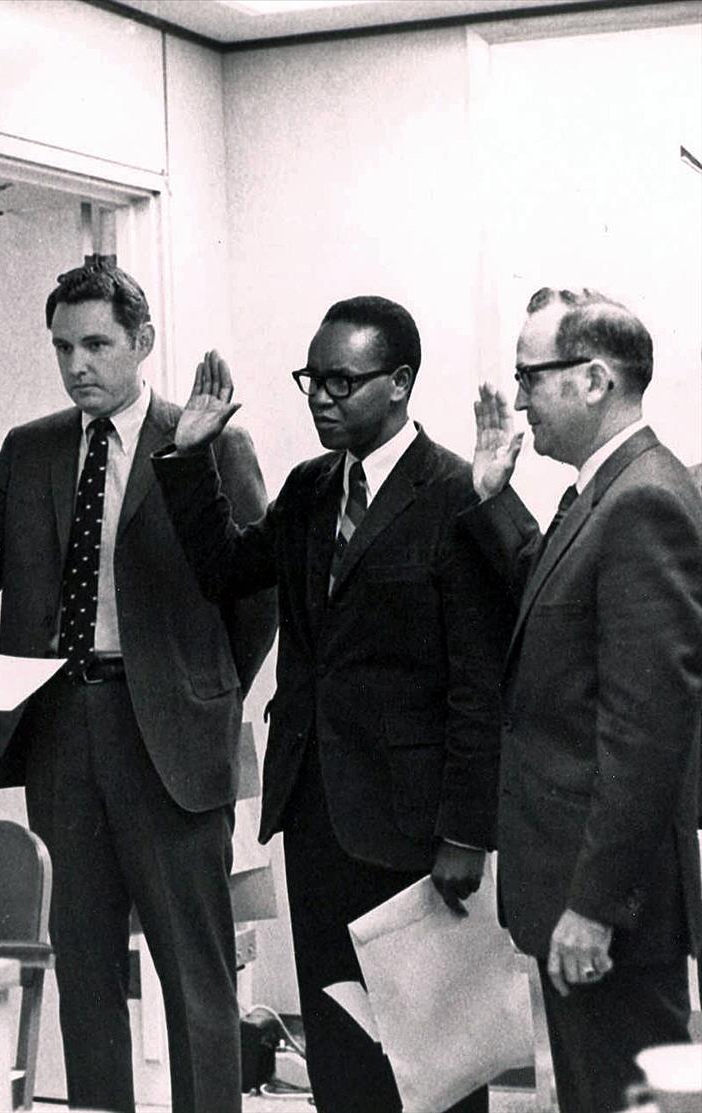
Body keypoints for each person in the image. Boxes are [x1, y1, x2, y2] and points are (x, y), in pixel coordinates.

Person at [0, 258, 276, 1113]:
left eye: (97, 343)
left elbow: (256, 595)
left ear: (142, 342)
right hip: (63, 730)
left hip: (173, 740)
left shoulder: (209, 437)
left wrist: (204, 692)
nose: (78, 365)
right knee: (85, 963)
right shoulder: (31, 449)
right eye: (63, 346)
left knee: (196, 974)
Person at [152, 296, 513, 1113]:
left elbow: (476, 681)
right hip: (316, 811)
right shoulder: (312, 488)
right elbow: (226, 570)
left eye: (342, 381)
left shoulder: (457, 492)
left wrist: (467, 828)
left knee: (432, 1052)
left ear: (400, 383)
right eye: (311, 378)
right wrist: (188, 460)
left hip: (416, 824)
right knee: (340, 1044)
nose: (320, 396)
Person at [467, 287, 702, 1112]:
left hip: (607, 904)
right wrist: (494, 494)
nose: (519, 396)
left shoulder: (643, 500)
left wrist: (595, 907)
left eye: (531, 375)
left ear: (595, 379)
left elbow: (646, 732)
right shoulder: (604, 490)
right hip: (581, 887)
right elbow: (558, 598)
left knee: (621, 1098)